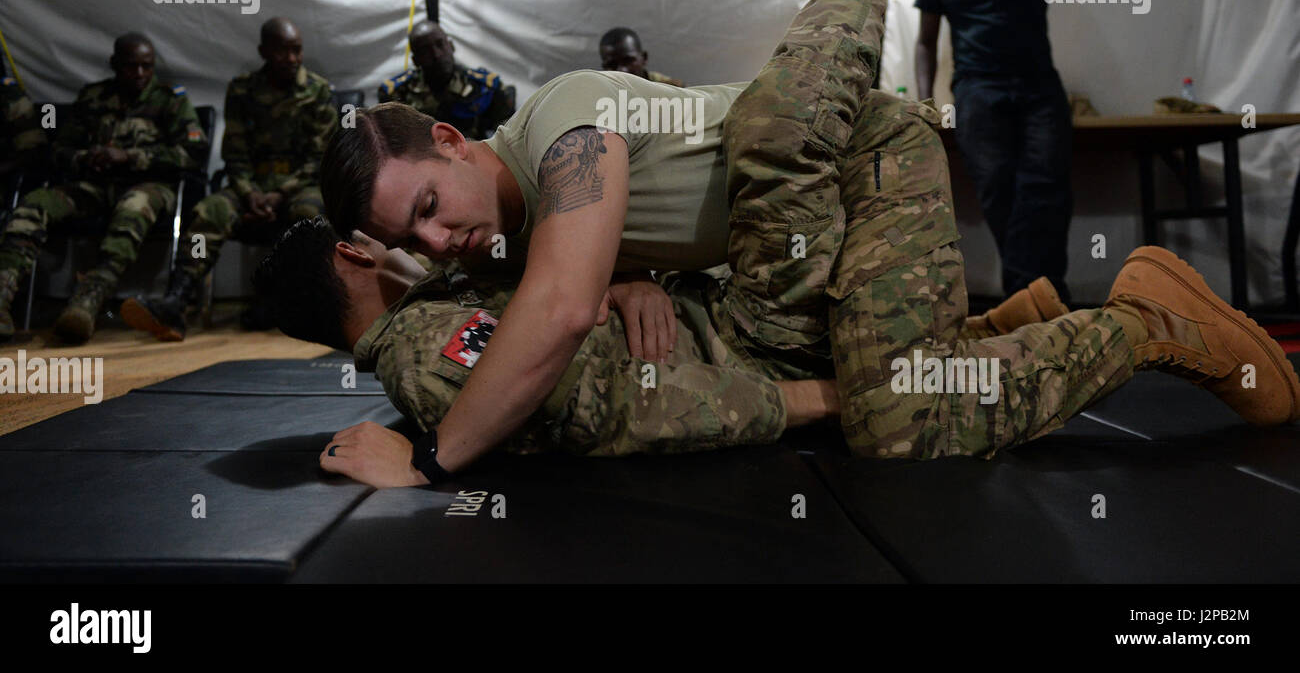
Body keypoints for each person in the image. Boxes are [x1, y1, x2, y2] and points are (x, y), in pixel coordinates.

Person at [320, 0, 1299, 476]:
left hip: (858, 165)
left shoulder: (563, 118)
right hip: (797, 232)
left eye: (428, 209)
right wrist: (634, 279)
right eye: (414, 240)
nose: (437, 241)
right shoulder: (521, 233)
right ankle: (992, 334)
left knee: (899, 426)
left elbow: (559, 313)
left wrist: (437, 458)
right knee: (857, 336)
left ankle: (1148, 324)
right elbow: (573, 279)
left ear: (450, 138)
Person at [254, 217, 1070, 486]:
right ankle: (1131, 326)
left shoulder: (437, 308)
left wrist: (622, 281)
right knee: (927, 407)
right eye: (376, 233)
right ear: (356, 258)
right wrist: (819, 401)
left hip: (720, 321)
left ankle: (998, 331)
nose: (405, 237)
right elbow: (625, 411)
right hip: (746, 362)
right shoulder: (434, 353)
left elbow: (562, 307)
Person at [122, 18, 335, 339]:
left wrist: (278, 194)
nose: (292, 58)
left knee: (309, 217)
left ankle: (297, 305)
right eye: (283, 51)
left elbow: (319, 158)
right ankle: (176, 301)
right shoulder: (242, 89)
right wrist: (249, 193)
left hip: (299, 185)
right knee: (209, 213)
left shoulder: (318, 91)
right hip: (249, 186)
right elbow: (234, 152)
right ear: (264, 51)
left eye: (297, 50)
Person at [913, 0, 1073, 302]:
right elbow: (925, 42)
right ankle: (1042, 296)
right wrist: (925, 101)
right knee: (998, 188)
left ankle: (1033, 296)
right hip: (978, 92)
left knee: (1045, 188)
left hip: (1038, 88)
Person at [0, 33, 208, 343]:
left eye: (146, 67)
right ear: (114, 64)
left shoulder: (170, 99)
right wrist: (86, 157)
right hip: (93, 185)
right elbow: (59, 150)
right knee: (34, 205)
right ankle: (3, 293)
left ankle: (90, 297)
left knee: (133, 208)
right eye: (131, 67)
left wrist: (130, 157)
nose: (139, 74)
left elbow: (193, 153)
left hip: (147, 186)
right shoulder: (93, 97)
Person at [377, 20, 514, 139]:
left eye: (440, 44)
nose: (437, 55)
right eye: (425, 50)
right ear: (415, 60)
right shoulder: (396, 94)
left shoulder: (484, 87)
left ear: (451, 46)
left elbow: (508, 133)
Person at [599, 27, 684, 86]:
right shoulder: (598, 94)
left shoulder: (670, 89)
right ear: (604, 67)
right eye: (612, 65)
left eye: (628, 61)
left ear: (644, 58)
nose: (622, 71)